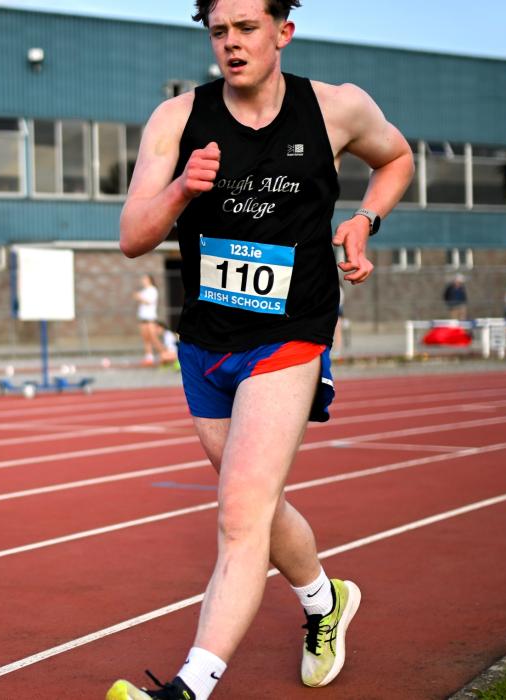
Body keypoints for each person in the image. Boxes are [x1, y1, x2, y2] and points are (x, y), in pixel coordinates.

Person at [109, 1, 415, 698]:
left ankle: (189, 687)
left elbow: (396, 158)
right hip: (207, 347)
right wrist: (184, 189)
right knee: (259, 503)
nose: (231, 44)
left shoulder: (336, 109)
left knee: (239, 515)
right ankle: (323, 604)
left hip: (291, 336)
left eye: (247, 28)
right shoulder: (178, 119)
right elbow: (132, 234)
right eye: (219, 31)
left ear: (284, 30)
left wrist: (365, 220)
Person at [134, 274, 162, 365]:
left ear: (150, 280)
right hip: (143, 318)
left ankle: (165, 354)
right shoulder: (144, 291)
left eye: (145, 279)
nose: (143, 280)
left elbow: (149, 302)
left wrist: (139, 297)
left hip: (150, 318)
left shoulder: (153, 290)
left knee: (154, 338)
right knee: (146, 339)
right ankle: (149, 358)